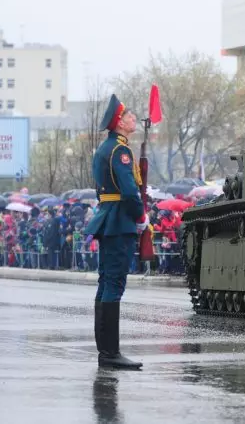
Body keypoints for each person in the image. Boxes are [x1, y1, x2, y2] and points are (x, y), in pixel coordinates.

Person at [84, 94, 149, 370]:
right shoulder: (120, 151)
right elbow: (129, 192)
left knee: (106, 283)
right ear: (119, 122)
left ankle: (107, 351)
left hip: (109, 219)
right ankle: (110, 353)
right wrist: (141, 216)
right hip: (119, 221)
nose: (134, 118)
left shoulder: (106, 148)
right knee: (114, 284)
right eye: (129, 115)